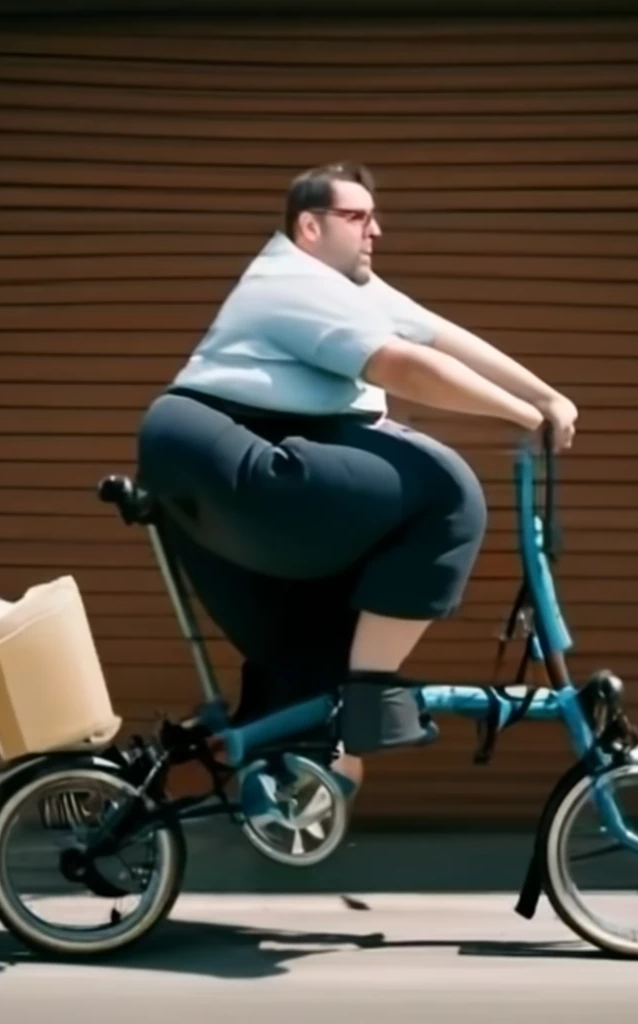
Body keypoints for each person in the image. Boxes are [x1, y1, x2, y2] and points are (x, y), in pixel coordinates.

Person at [135, 161, 577, 799]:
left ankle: (269, 768)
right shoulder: (292, 281)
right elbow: (405, 366)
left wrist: (548, 396)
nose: (376, 231)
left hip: (210, 461)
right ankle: (362, 702)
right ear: (309, 228)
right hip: (219, 451)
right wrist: (520, 414)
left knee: (306, 661)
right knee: (444, 488)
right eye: (357, 217)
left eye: (374, 216)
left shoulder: (350, 289)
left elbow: (440, 335)